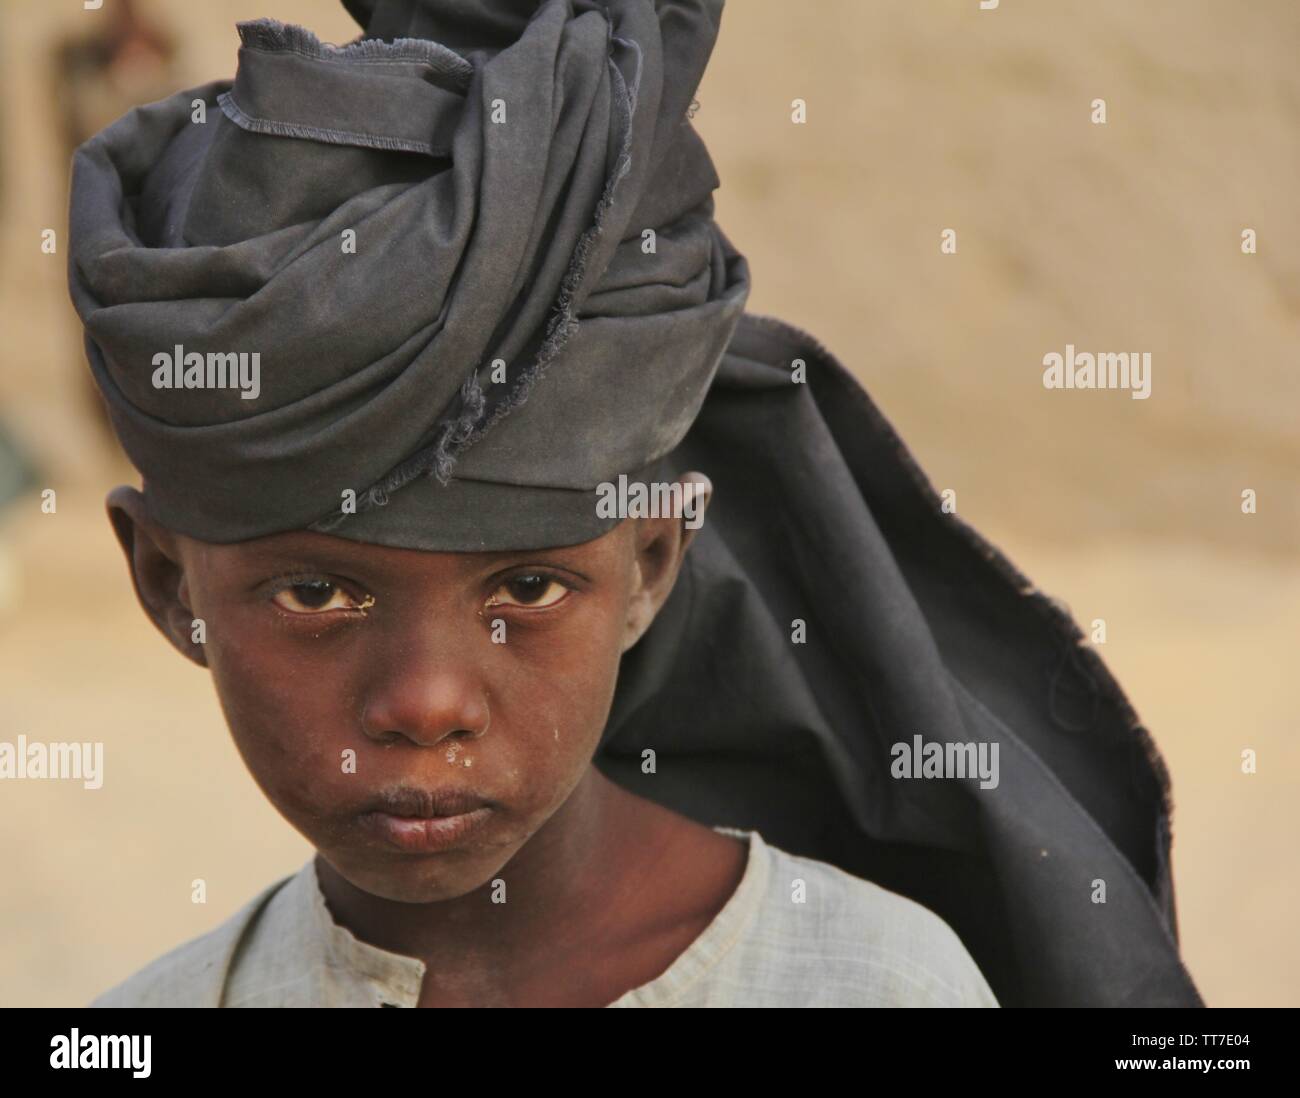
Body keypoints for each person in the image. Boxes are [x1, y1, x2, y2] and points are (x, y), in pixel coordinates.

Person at [67, 0, 1198, 1007]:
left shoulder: (876, 984)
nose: (426, 702)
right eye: (316, 591)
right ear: (171, 586)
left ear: (651, 565)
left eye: (527, 585)